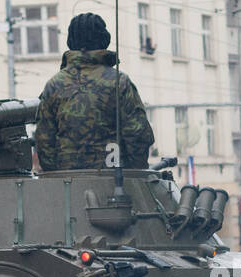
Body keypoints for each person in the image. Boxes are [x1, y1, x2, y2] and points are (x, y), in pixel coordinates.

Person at [34, 13, 155, 172]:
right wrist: (134, 174)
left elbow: (44, 142)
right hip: (115, 181)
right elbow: (138, 136)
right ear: (103, 41)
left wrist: (58, 173)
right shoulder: (119, 83)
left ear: (71, 42)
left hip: (66, 184)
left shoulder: (54, 85)